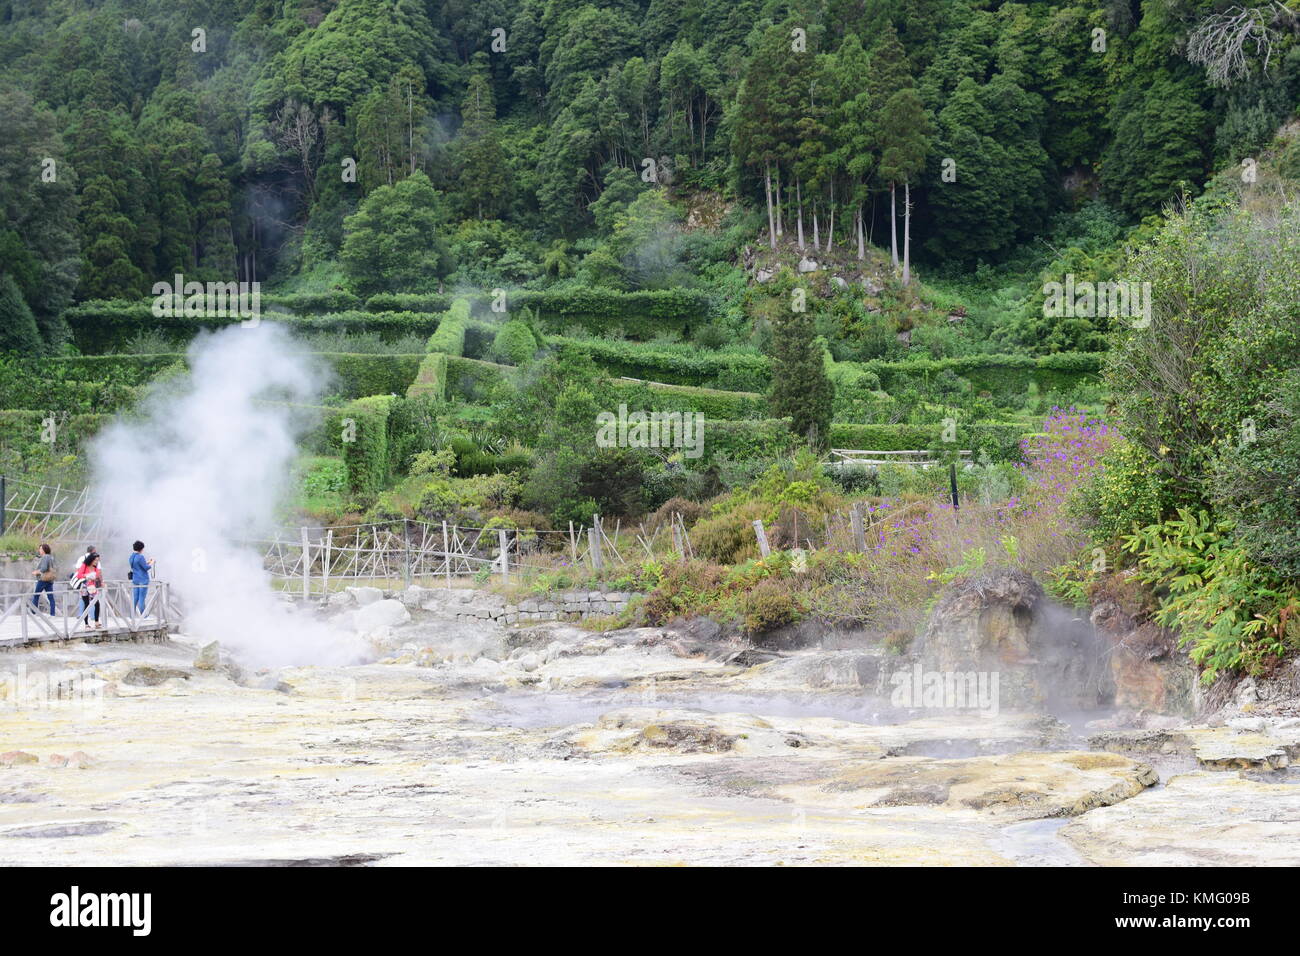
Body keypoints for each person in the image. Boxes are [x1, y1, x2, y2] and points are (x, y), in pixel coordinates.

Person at [74, 552, 104, 630]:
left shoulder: (95, 567)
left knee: (97, 603)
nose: (96, 562)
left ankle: (96, 622)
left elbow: (98, 576)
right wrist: (87, 576)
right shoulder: (84, 565)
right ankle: (86, 624)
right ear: (91, 559)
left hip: (92, 587)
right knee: (86, 604)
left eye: (98, 560)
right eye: (95, 560)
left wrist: (100, 581)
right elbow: (79, 575)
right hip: (84, 586)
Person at [128, 540, 153, 615]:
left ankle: (131, 615)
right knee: (142, 598)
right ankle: (144, 616)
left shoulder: (131, 557)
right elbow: (145, 568)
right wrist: (152, 563)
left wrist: (147, 562)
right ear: (141, 549)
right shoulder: (140, 557)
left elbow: (138, 565)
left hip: (135, 579)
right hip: (143, 580)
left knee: (135, 598)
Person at [30, 543, 55, 615]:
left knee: (36, 595)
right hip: (50, 580)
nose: (39, 550)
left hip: (43, 579)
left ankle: (33, 612)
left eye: (40, 549)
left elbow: (44, 568)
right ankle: (52, 614)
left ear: (44, 550)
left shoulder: (45, 557)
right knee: (51, 597)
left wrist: (36, 572)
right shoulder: (51, 557)